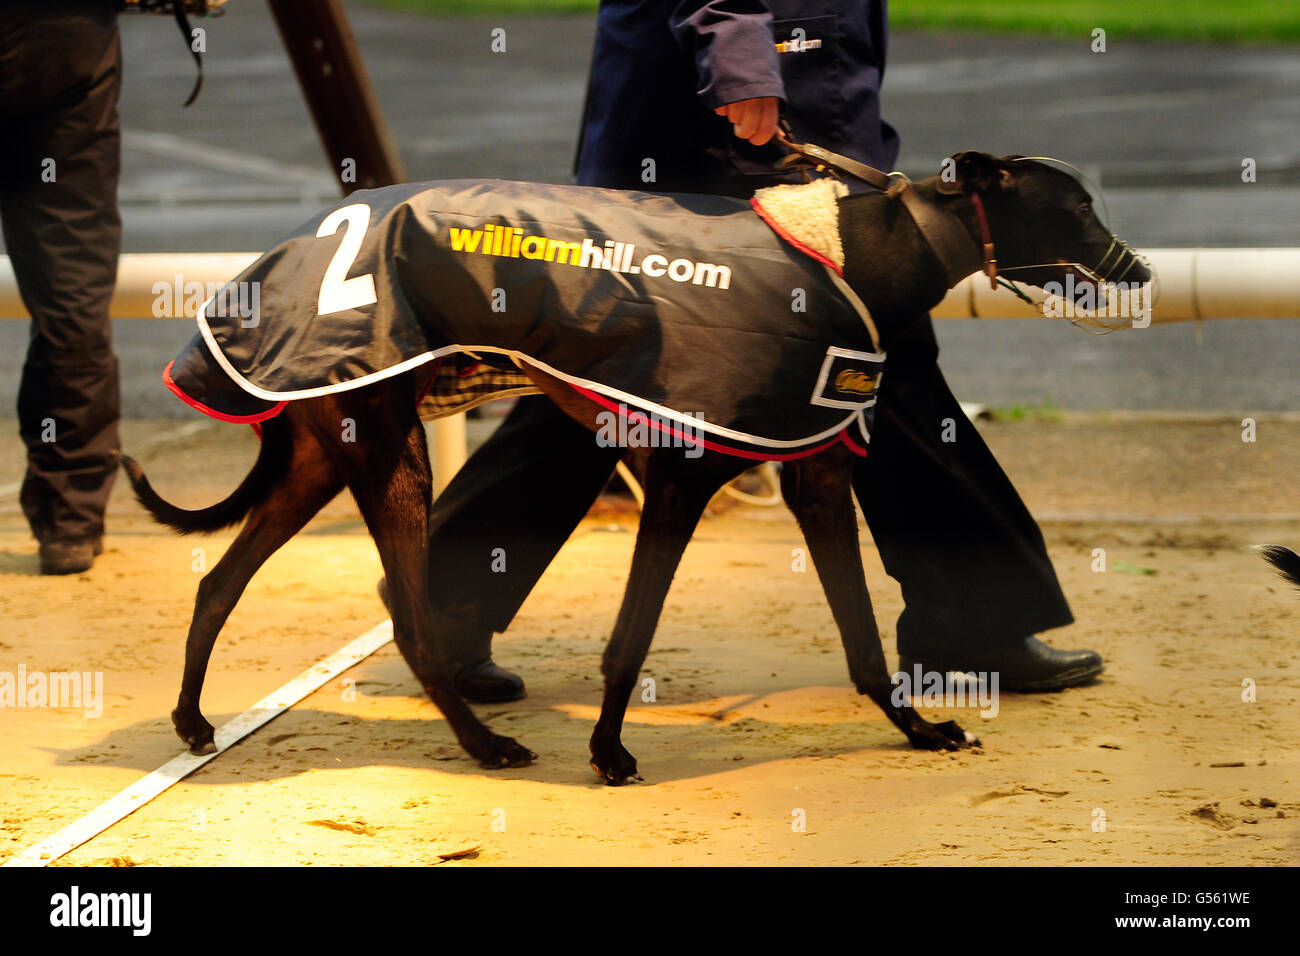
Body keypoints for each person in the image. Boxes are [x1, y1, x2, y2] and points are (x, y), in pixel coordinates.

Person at [416, 0, 1103, 702]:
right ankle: (440, 603)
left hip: (809, 94)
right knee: (616, 378)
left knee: (872, 363)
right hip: (706, 114)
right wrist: (738, 53)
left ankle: (441, 601)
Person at [0, 0, 125, 575]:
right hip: (68, 37)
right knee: (72, 288)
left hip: (65, 34)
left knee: (73, 290)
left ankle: (69, 518)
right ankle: (68, 519)